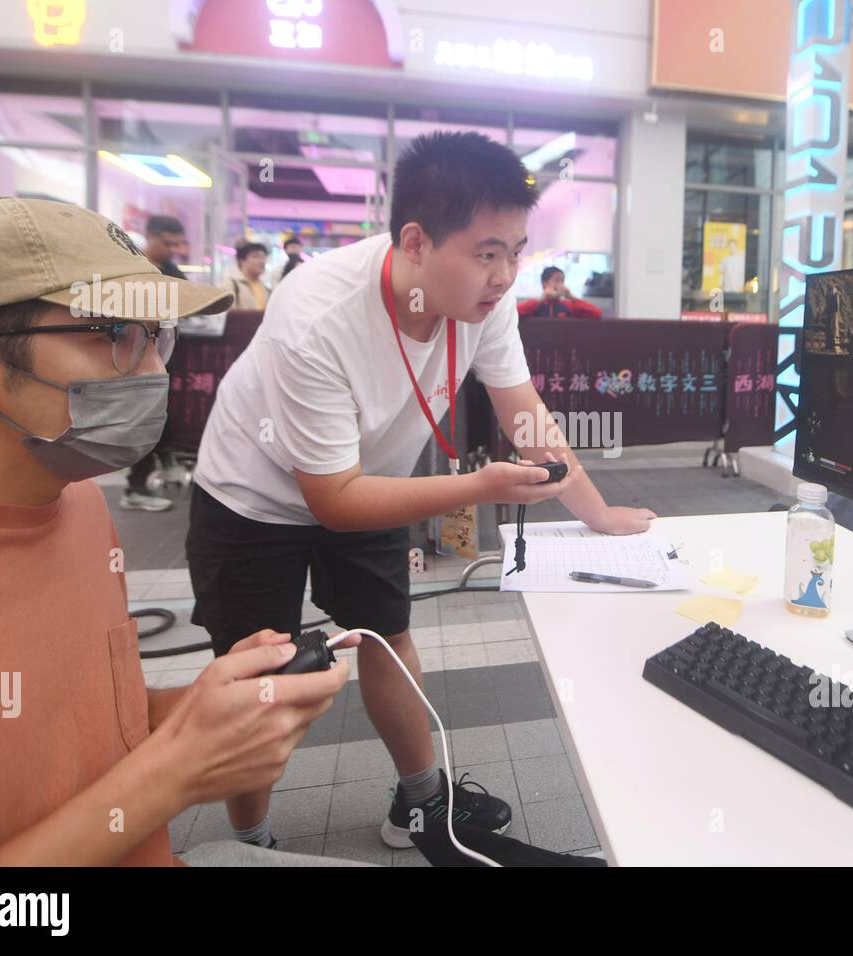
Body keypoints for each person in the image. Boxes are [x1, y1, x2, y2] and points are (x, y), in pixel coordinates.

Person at [188, 131, 655, 851]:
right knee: (262, 675)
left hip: (368, 479)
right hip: (252, 497)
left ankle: (421, 802)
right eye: (487, 252)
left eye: (517, 251)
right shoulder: (317, 315)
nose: (505, 276)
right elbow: (333, 502)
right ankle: (248, 842)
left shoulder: (486, 304)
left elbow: (525, 412)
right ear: (414, 241)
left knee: (388, 634)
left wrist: (597, 512)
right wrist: (478, 484)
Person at [0, 198, 368, 866]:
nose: (156, 372)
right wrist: (176, 774)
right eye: (113, 334)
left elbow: (86, 722)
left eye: (158, 337)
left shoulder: (78, 510)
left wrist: (205, 709)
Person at [122, 214, 190, 512]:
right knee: (145, 421)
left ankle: (155, 468)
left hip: (164, 357)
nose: (172, 249)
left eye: (176, 244)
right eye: (167, 243)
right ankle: (136, 486)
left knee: (158, 417)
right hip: (132, 358)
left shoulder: (173, 271)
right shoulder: (128, 266)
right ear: (149, 236)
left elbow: (188, 303)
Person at [516, 266, 603, 319]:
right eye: (557, 280)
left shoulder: (567, 305)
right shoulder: (535, 305)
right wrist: (541, 299)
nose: (561, 285)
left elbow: (596, 313)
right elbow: (515, 313)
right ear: (544, 284)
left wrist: (572, 297)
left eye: (562, 281)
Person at [227, 241, 271, 310]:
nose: (262, 261)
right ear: (241, 261)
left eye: (263, 257)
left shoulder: (265, 288)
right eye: (256, 256)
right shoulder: (231, 284)